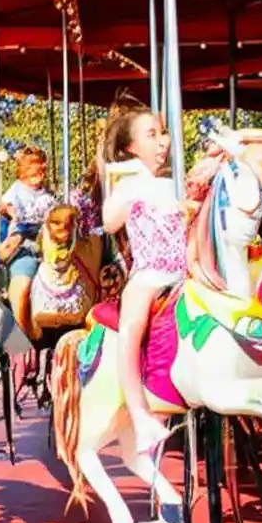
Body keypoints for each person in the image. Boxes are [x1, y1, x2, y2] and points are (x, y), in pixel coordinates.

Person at [102, 108, 184, 453]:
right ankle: (138, 412)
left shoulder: (176, 182)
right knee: (132, 322)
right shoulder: (130, 185)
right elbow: (109, 223)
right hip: (150, 273)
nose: (163, 141)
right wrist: (124, 183)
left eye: (163, 132)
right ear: (131, 147)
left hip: (184, 274)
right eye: (151, 134)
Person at [0, 147, 59, 333]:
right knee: (22, 286)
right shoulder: (17, 190)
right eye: (33, 168)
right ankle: (22, 335)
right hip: (26, 246)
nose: (39, 173)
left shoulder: (48, 196)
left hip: (50, 248)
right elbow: (5, 205)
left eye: (42, 169)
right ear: (24, 171)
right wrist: (12, 213)